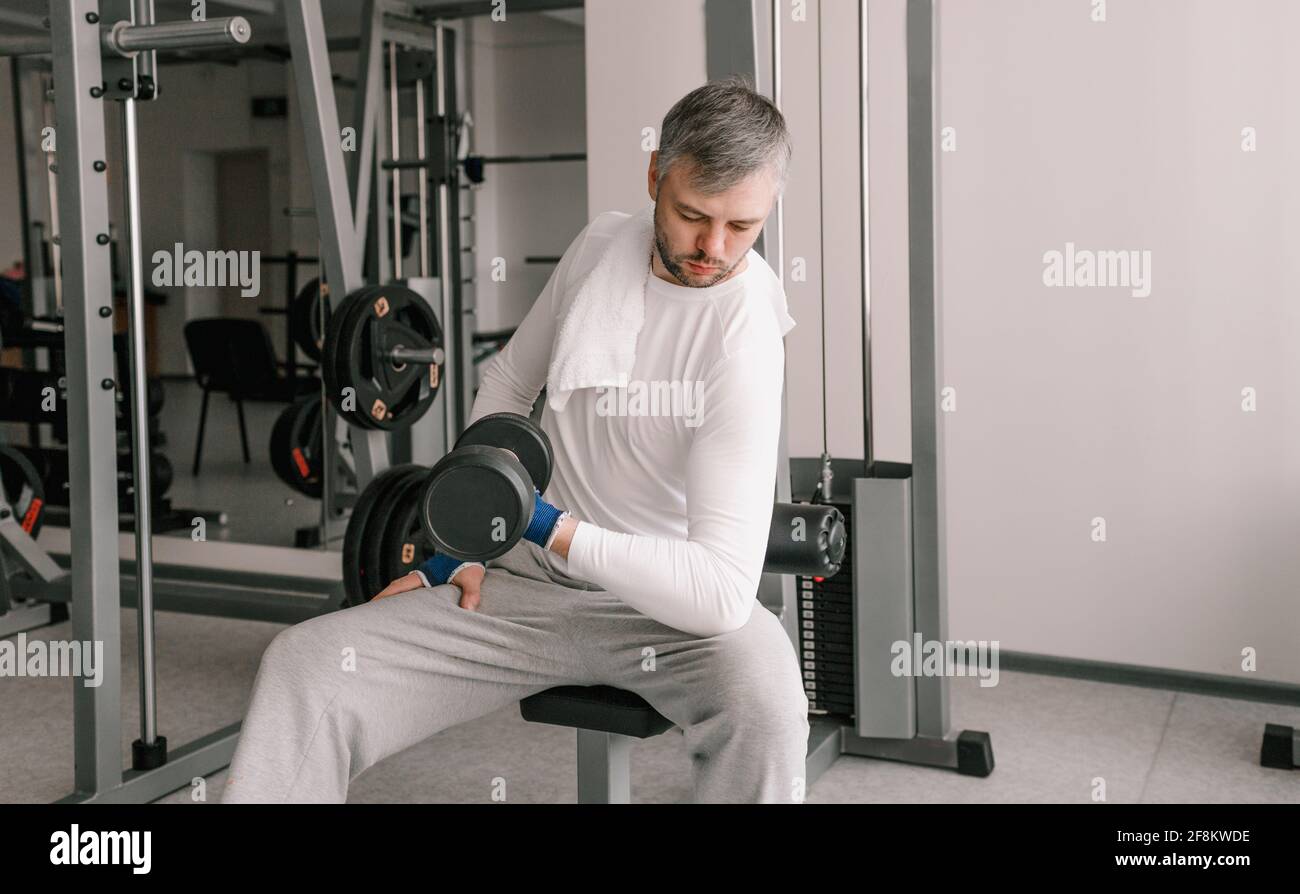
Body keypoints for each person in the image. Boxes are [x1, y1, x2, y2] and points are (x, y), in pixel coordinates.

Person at [222, 75, 808, 804]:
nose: (712, 248)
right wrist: (471, 538)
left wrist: (543, 523)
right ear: (654, 174)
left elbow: (720, 595)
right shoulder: (600, 247)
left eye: (742, 228)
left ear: (770, 207)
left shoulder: (745, 337)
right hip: (525, 584)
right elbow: (505, 383)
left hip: (668, 610)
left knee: (772, 703)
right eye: (693, 215)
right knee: (305, 664)